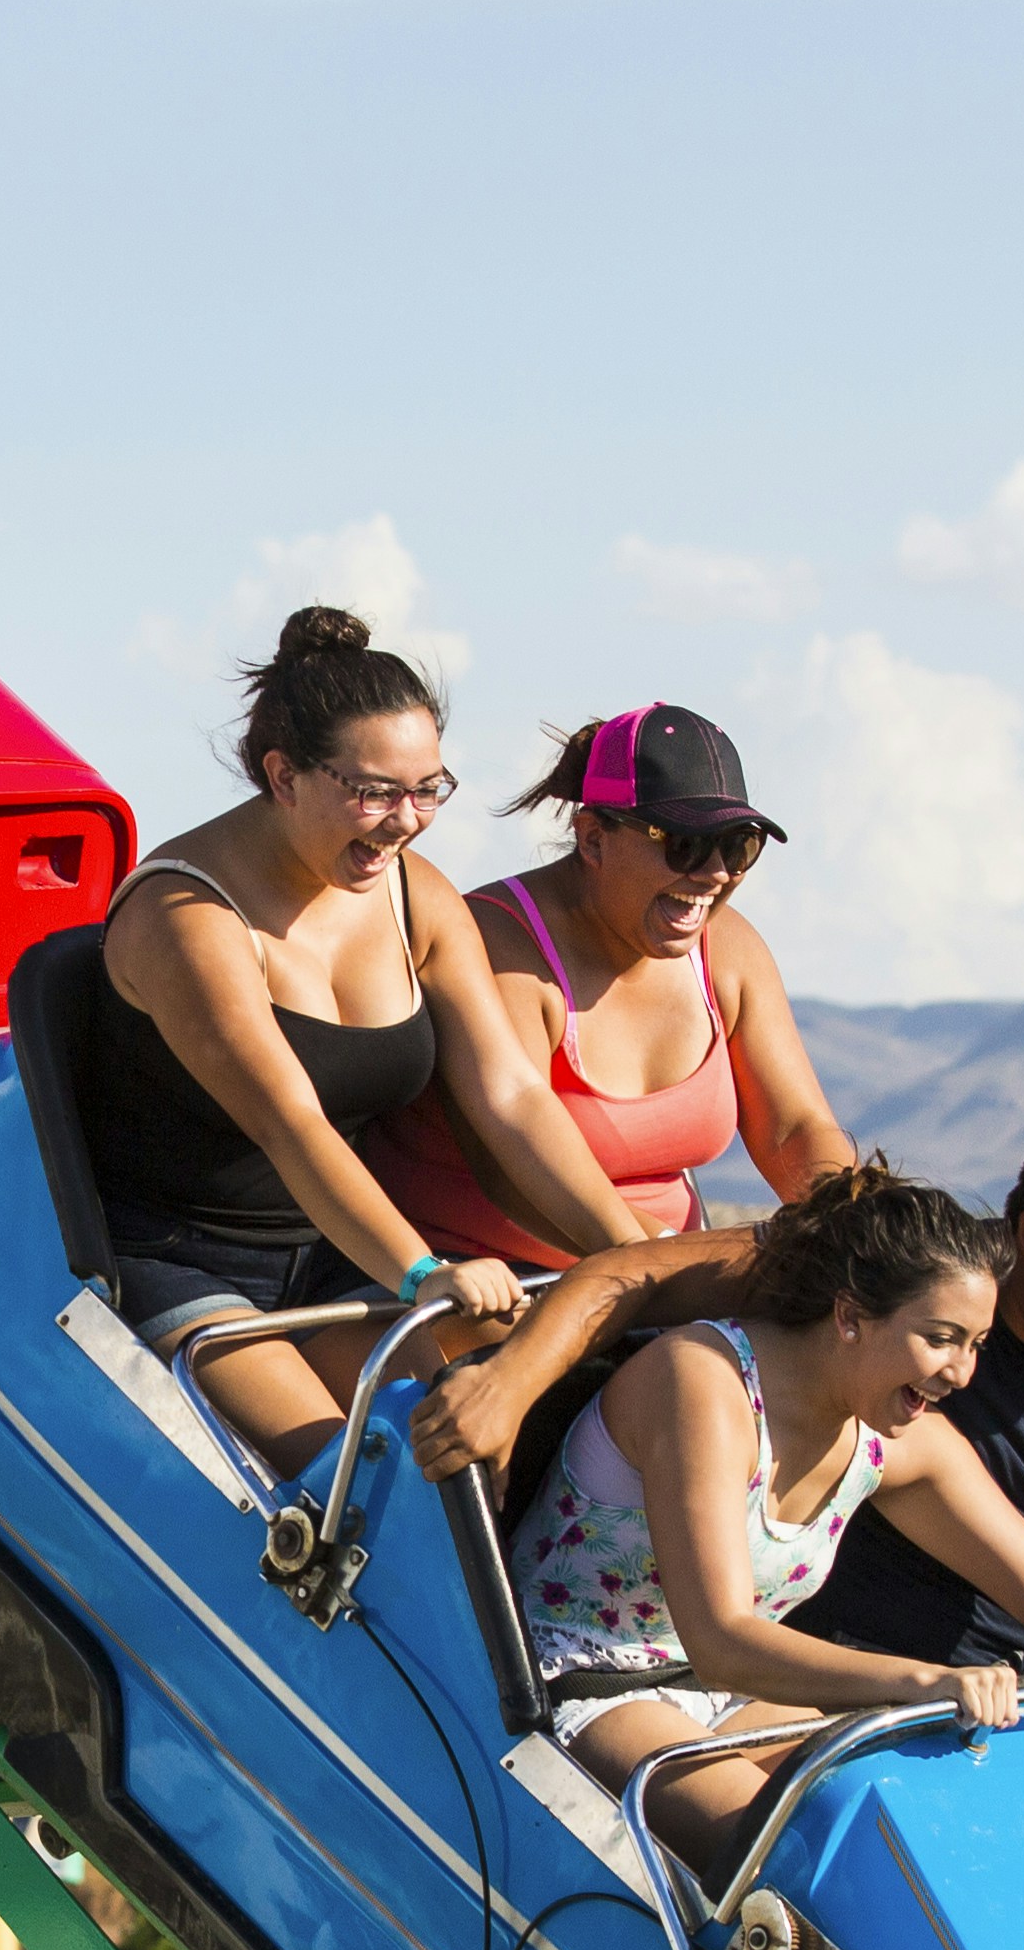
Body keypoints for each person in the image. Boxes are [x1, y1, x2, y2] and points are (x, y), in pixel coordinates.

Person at [419, 1097, 1024, 1712]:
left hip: (944, 1686)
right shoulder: (890, 1274)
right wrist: (511, 1380)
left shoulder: (919, 1425)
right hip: (715, 1665)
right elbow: (634, 1274)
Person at [507, 1166, 1024, 1870]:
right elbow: (724, 1637)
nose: (960, 1373)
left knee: (918, 1833)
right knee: (800, 1861)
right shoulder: (702, 1381)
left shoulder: (892, 1435)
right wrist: (922, 1682)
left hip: (716, 1690)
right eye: (942, 1337)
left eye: (976, 1344)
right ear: (851, 1316)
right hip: (588, 1678)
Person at [81, 607, 658, 1474]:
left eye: (428, 788)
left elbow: (510, 1099)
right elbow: (292, 1124)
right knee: (343, 1482)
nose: (406, 820)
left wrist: (636, 1257)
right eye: (374, 792)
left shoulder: (417, 896)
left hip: (332, 1253)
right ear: (283, 777)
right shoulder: (185, 919)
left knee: (478, 1441)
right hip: (187, 1264)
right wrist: (423, 1272)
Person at [372, 705, 858, 1269]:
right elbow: (514, 1170)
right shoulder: (499, 944)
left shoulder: (728, 948)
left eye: (737, 845)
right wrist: (690, 1267)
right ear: (593, 839)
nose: (715, 872)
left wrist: (853, 1230)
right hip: (492, 1283)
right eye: (684, 844)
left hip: (665, 1279)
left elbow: (796, 1129)